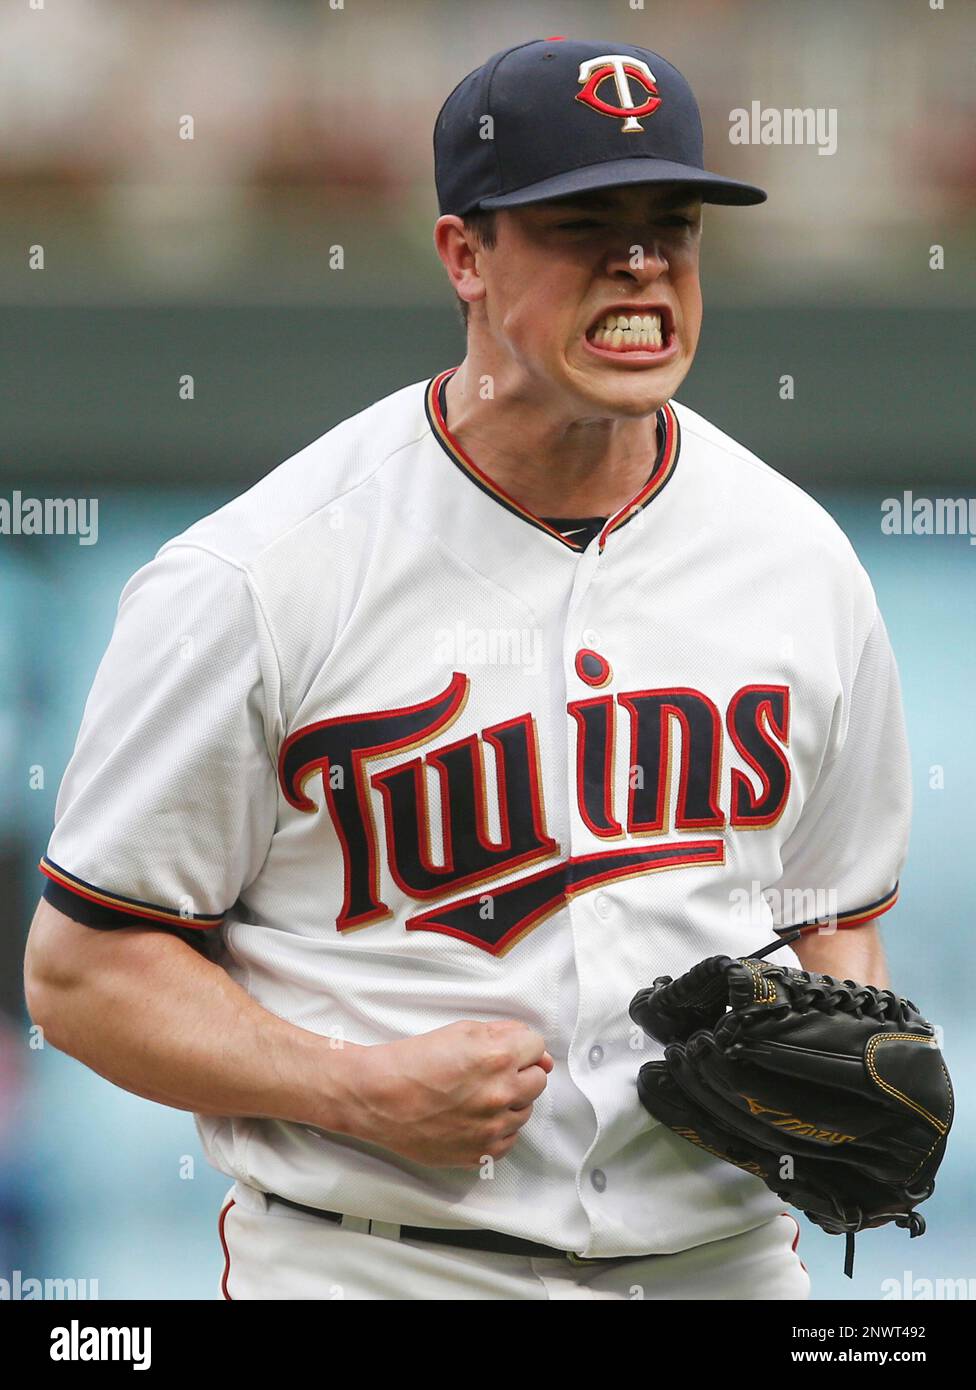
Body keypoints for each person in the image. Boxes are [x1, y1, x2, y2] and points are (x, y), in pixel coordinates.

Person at [24, 38, 910, 1301]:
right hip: (368, 1267)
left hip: (718, 1269)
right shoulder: (262, 575)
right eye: (582, 224)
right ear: (464, 256)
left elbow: (839, 905)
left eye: (672, 223)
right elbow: (83, 972)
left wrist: (844, 1043)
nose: (642, 262)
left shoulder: (797, 559)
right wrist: (349, 1085)